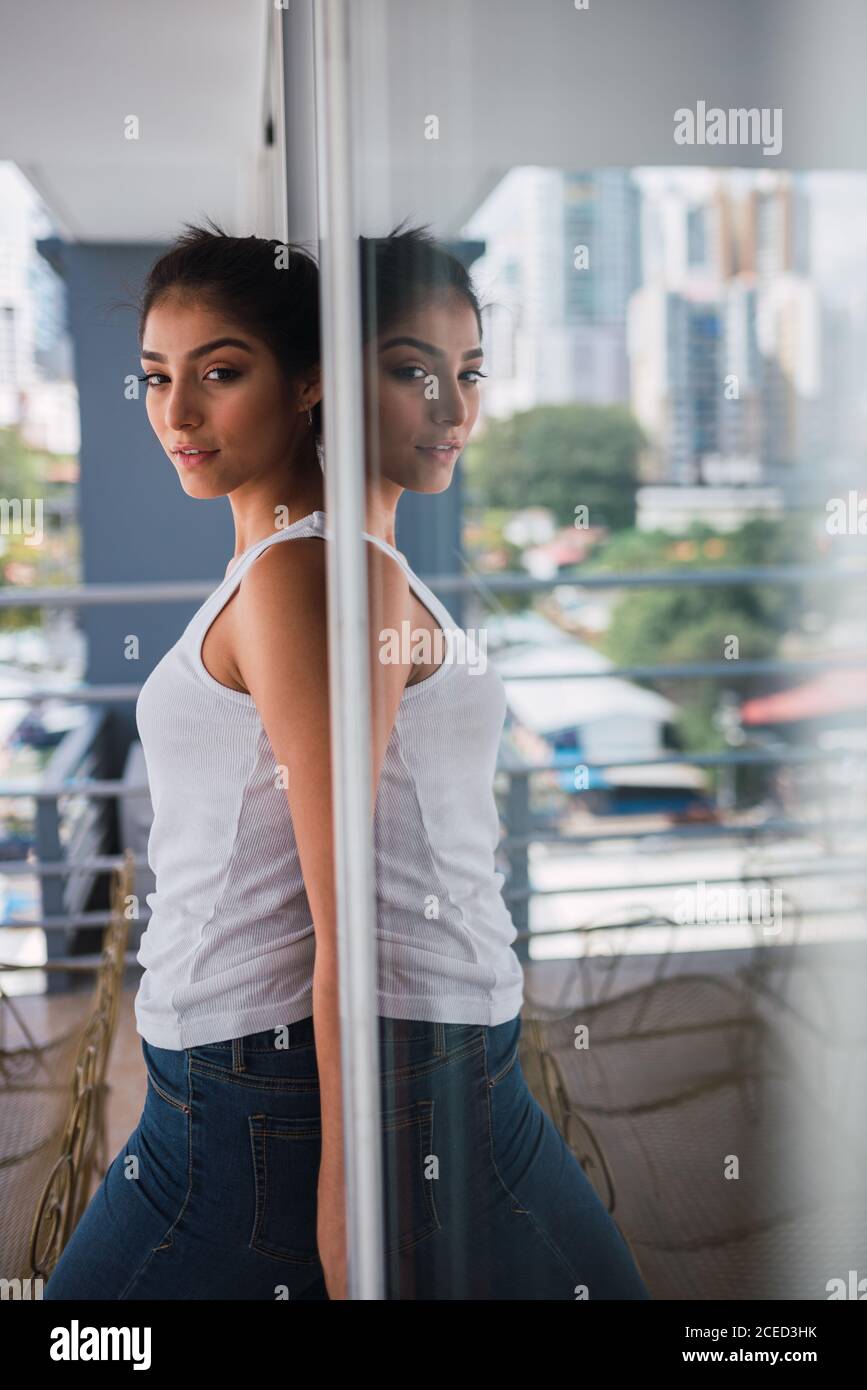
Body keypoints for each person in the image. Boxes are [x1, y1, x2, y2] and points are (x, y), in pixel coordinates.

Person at [44, 219, 650, 1301]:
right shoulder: (311, 568)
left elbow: (351, 911)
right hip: (300, 1073)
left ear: (307, 382)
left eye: (219, 374)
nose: (176, 415)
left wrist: (345, 1194)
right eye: (155, 379)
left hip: (315, 1079)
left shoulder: (316, 570)